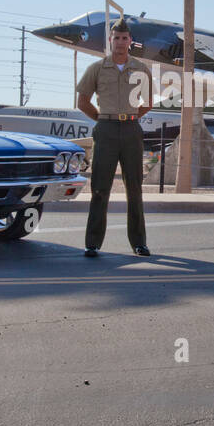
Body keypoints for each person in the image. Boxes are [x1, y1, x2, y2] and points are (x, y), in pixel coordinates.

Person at [76, 16, 153, 258]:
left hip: (131, 130)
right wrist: (102, 119)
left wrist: (131, 115)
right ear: (111, 40)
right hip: (106, 130)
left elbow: (148, 102)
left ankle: (139, 243)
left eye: (124, 38)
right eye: (116, 38)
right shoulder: (97, 69)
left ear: (130, 41)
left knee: (135, 188)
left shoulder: (141, 69)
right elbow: (82, 101)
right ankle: (92, 243)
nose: (120, 42)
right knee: (100, 188)